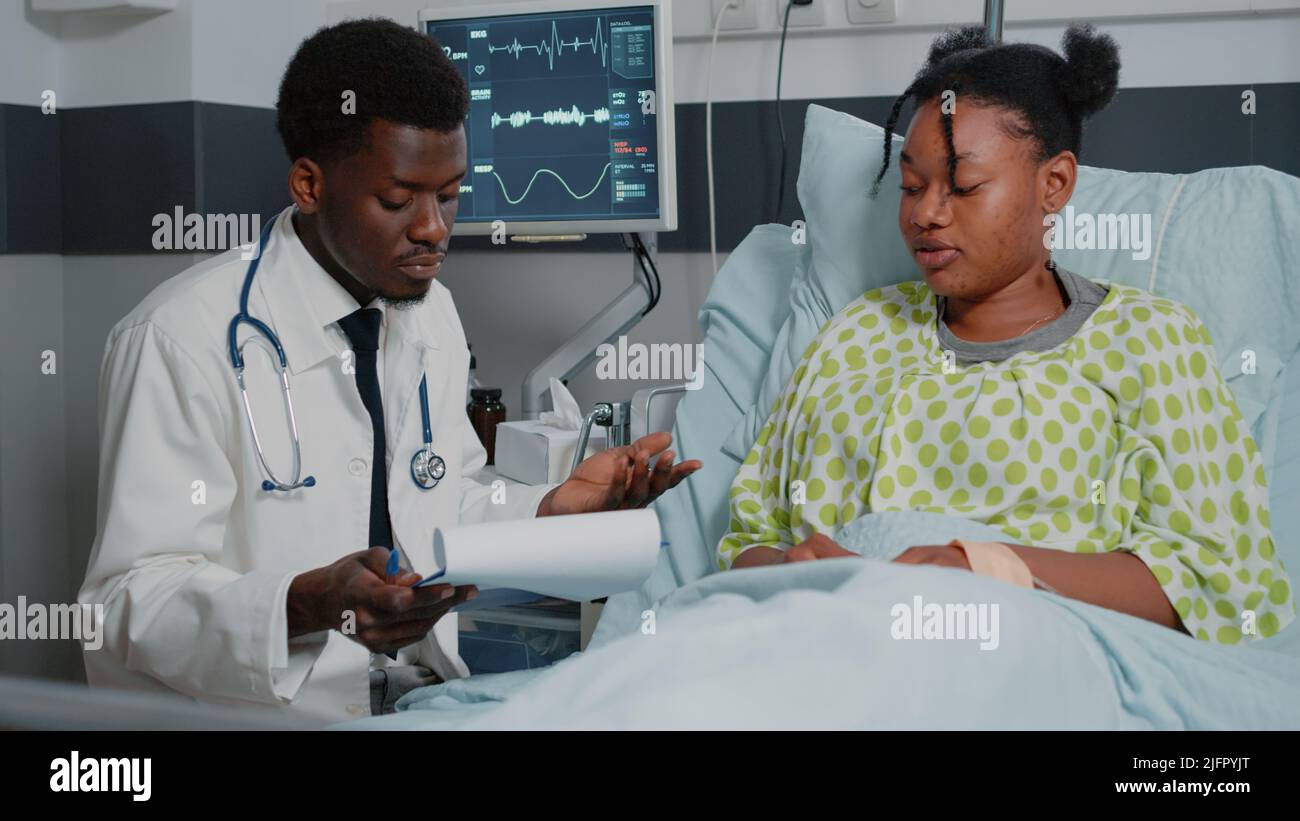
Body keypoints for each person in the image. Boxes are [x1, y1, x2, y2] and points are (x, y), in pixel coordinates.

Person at [79, 18, 700, 722]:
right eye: (399, 200)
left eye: (452, 194)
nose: (435, 228)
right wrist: (310, 602)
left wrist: (549, 510)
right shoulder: (180, 339)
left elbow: (444, 506)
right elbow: (130, 600)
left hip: (414, 698)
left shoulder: (428, 312)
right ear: (310, 185)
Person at [718, 24, 1293, 644]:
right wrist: (794, 574)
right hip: (821, 649)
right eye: (911, 186)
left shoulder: (1150, 343)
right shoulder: (854, 336)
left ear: (1055, 185)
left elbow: (1215, 580)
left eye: (963, 187)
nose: (925, 213)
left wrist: (982, 569)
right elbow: (751, 542)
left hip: (1034, 659)